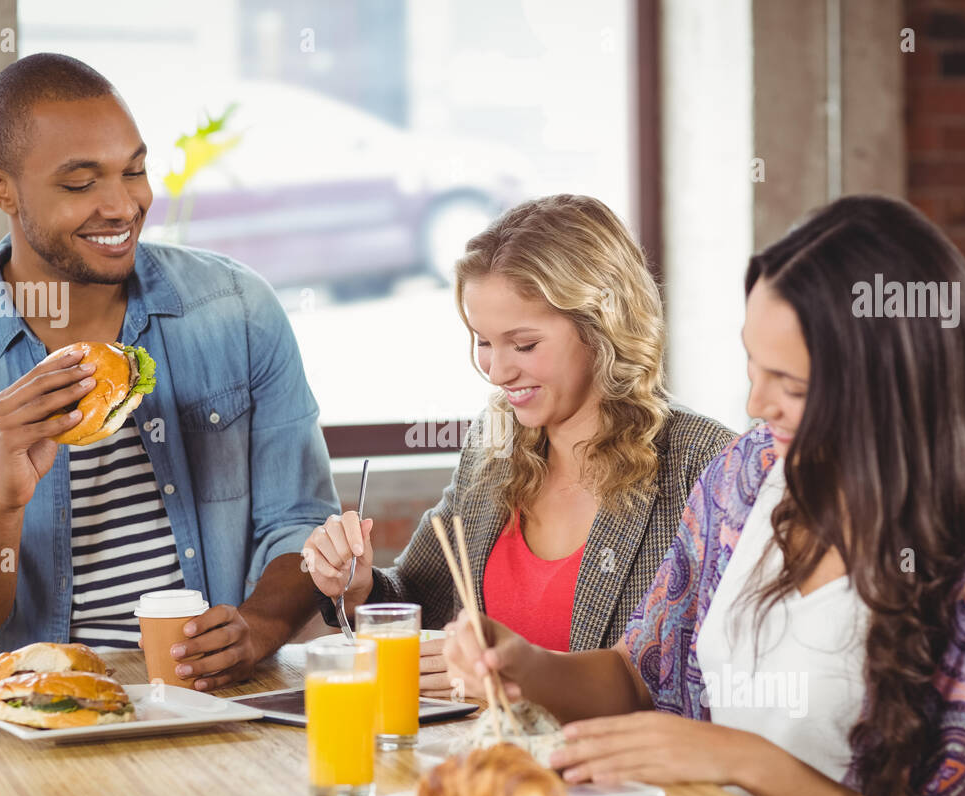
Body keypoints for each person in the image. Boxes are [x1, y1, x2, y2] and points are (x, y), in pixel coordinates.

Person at [443, 195, 965, 796]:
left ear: (886, 380)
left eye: (790, 383)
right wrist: (525, 664)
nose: (755, 404)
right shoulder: (747, 475)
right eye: (753, 366)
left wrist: (753, 765)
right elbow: (640, 676)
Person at [0, 54, 339, 689]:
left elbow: (300, 523)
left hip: (220, 702)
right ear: (1, 188)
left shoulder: (236, 308)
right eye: (79, 184)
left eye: (134, 171)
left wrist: (257, 627)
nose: (122, 205)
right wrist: (2, 501)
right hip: (48, 716)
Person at [302, 194, 735, 696]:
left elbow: (706, 685)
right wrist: (359, 589)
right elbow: (420, 596)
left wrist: (524, 679)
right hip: (484, 765)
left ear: (603, 326)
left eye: (524, 345)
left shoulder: (705, 464)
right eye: (483, 341)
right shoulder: (496, 442)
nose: (497, 370)